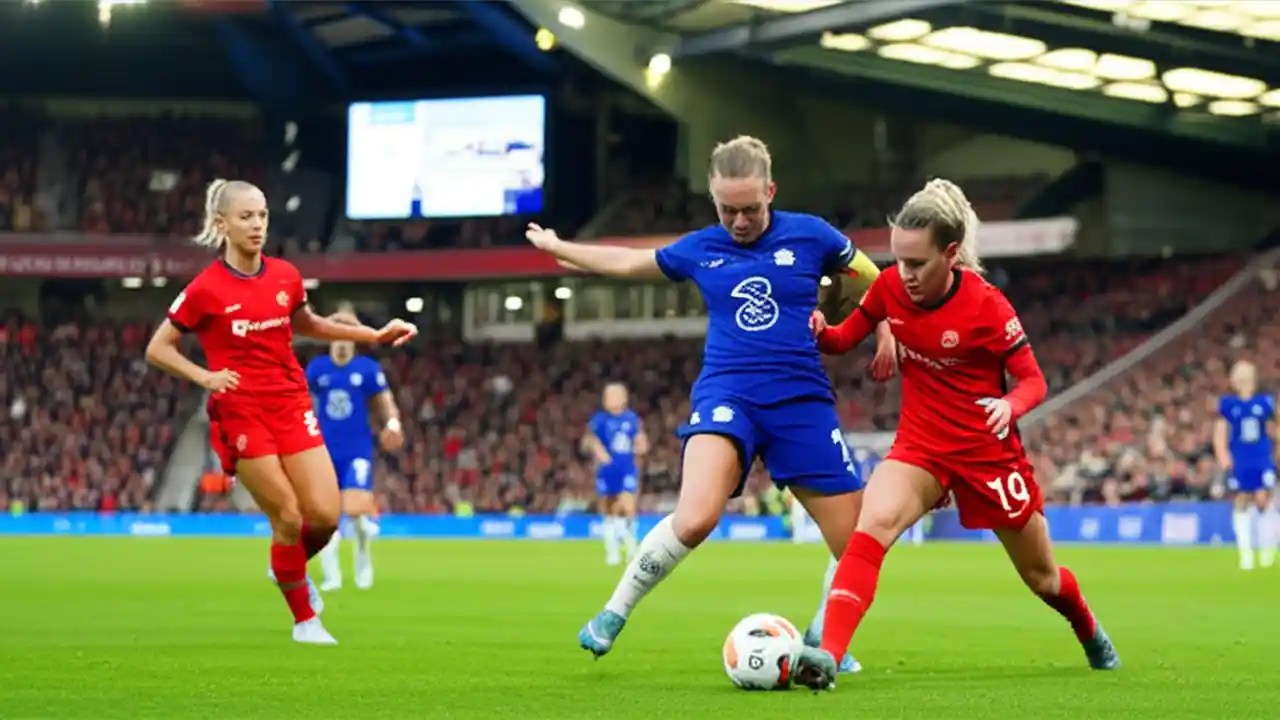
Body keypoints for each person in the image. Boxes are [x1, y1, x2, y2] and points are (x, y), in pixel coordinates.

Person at [524, 135, 896, 673]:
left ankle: (823, 634)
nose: (739, 221)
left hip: (800, 399)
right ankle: (613, 611)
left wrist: (883, 329)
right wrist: (561, 247)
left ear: (771, 192)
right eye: (727, 210)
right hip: (728, 394)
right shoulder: (700, 248)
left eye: (750, 209)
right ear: (713, 200)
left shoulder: (813, 235)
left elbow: (873, 280)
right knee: (695, 517)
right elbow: (627, 263)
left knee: (858, 543)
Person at [795, 178, 1120, 690]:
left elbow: (1033, 380)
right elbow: (843, 339)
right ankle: (828, 655)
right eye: (899, 260)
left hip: (987, 454)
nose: (905, 274)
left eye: (917, 263)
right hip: (921, 447)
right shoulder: (889, 287)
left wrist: (1009, 405)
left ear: (950, 254)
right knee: (870, 528)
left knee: (1043, 579)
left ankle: (1089, 630)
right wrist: (820, 331)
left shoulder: (987, 305)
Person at [145, 178, 416, 645]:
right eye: (246, 216)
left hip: (290, 403)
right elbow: (158, 348)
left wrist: (372, 336)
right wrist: (205, 377)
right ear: (222, 224)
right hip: (241, 412)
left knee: (325, 517)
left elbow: (310, 324)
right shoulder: (205, 288)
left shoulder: (286, 276)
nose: (257, 225)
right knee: (288, 516)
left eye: (263, 215)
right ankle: (305, 620)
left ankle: (286, 566)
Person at [305, 305, 405, 591]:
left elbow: (385, 400)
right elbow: (300, 400)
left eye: (346, 336)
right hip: (324, 451)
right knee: (324, 516)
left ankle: (362, 552)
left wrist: (393, 423)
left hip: (357, 449)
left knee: (355, 509)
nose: (341, 343)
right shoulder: (317, 368)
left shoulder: (367, 369)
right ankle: (332, 576)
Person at [1213, 359, 1277, 570]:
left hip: (1261, 456)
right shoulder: (1228, 405)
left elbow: (1275, 426)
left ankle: (1268, 548)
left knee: (1263, 499)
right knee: (1241, 501)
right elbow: (1220, 431)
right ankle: (1246, 553)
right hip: (1240, 458)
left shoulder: (1265, 403)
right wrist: (1223, 456)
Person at [584, 382, 648, 566]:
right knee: (609, 509)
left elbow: (640, 438)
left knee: (628, 507)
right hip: (607, 470)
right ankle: (612, 550)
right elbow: (589, 440)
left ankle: (631, 548)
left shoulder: (631, 418)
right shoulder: (599, 420)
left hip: (626, 468)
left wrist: (641, 445)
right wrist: (598, 450)